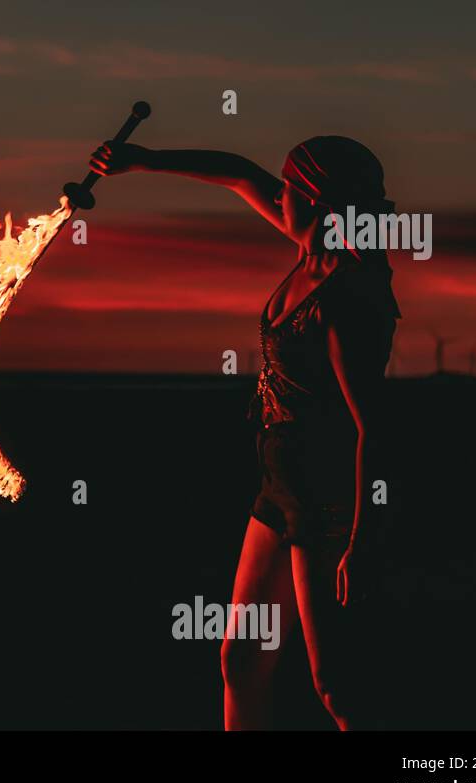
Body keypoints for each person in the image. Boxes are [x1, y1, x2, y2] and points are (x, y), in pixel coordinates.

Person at [91, 135, 401, 730]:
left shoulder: (347, 294)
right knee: (242, 658)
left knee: (336, 684)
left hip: (326, 499)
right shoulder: (310, 244)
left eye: (288, 187)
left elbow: (374, 428)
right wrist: (144, 160)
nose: (276, 195)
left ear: (313, 199)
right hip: (277, 488)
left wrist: (362, 541)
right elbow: (236, 172)